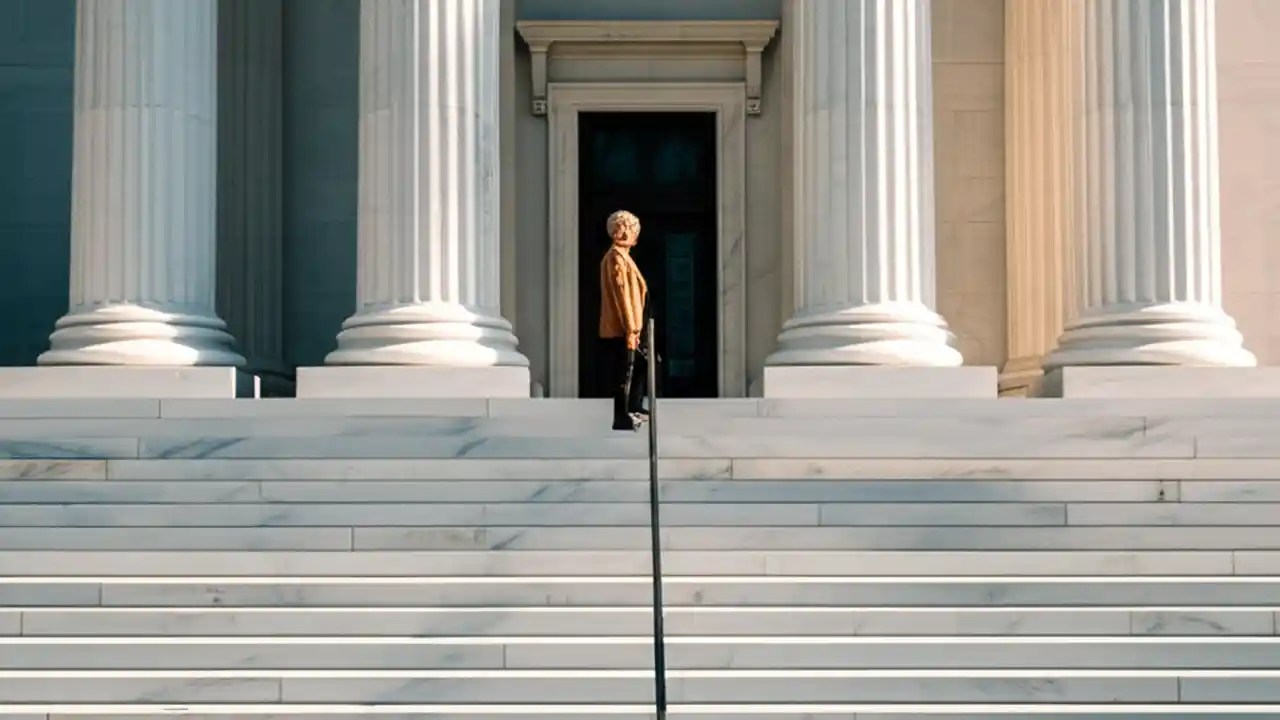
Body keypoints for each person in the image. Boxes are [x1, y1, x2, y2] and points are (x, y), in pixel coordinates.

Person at [599, 210, 649, 431]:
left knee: (639, 365)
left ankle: (633, 406)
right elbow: (623, 296)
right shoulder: (616, 258)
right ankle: (622, 415)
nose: (631, 233)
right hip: (623, 328)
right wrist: (631, 329)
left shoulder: (624, 258)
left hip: (630, 327)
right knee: (625, 372)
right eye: (628, 229)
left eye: (632, 229)